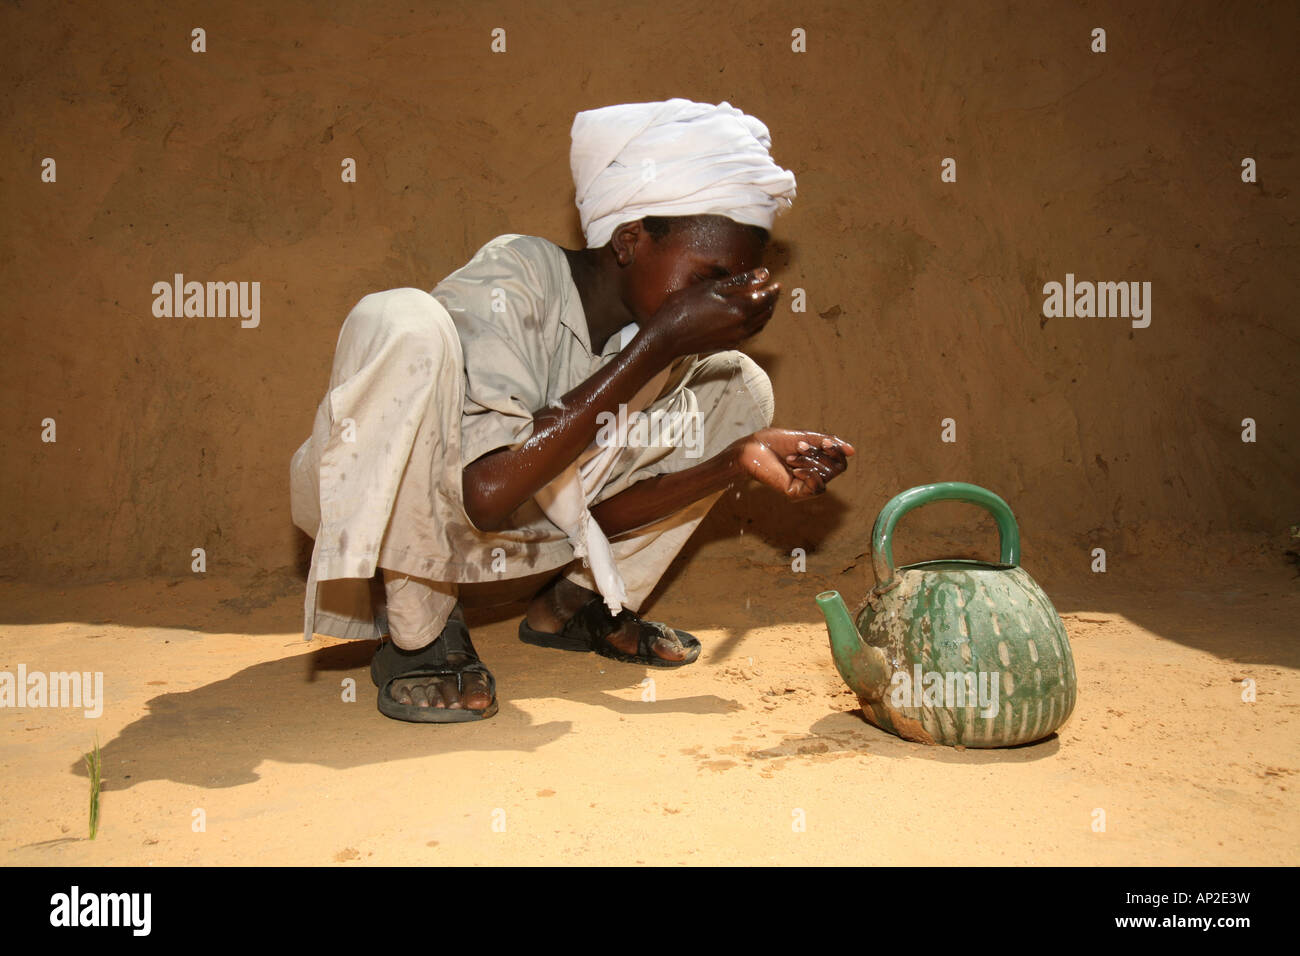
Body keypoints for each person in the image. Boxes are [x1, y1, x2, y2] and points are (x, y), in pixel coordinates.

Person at [289, 98, 854, 722]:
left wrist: (732, 464)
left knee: (740, 383)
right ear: (629, 241)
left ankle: (574, 607)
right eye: (708, 275)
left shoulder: (663, 333)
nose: (721, 302)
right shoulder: (517, 283)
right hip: (401, 498)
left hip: (520, 525)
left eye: (737, 283)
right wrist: (658, 342)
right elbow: (485, 493)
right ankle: (419, 636)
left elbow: (597, 514)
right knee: (401, 321)